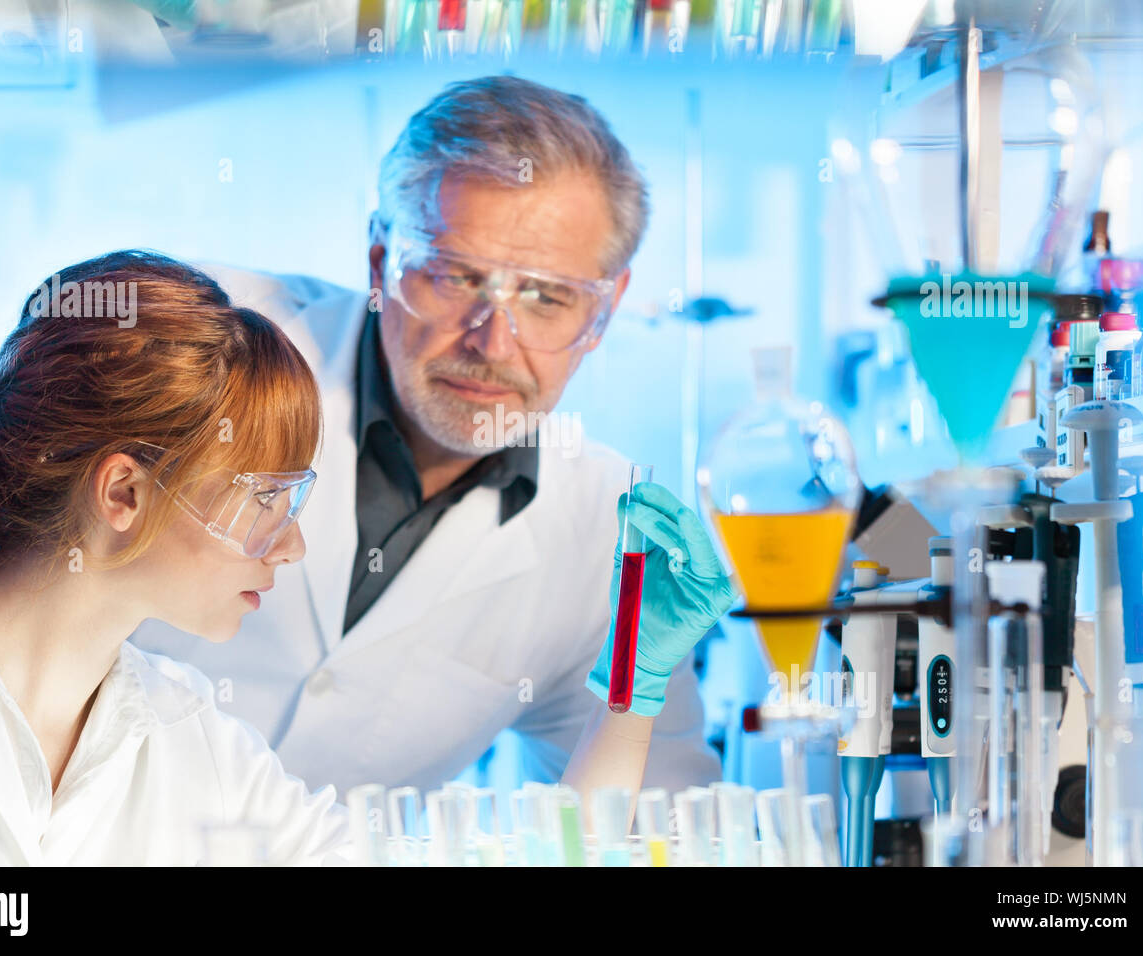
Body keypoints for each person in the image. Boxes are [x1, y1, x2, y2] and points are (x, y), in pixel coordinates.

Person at [0, 250, 731, 865]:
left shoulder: (189, 745)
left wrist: (632, 679)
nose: (289, 543)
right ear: (124, 496)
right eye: (264, 500)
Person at [132, 74, 733, 796]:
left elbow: (649, 823)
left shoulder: (606, 535)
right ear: (383, 261)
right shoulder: (197, 345)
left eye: (547, 297)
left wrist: (640, 691)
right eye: (454, 277)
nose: (493, 342)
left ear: (608, 308)